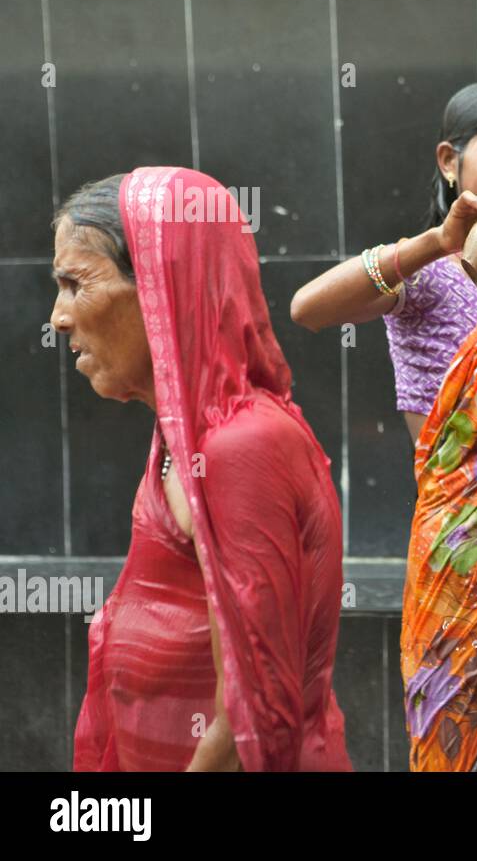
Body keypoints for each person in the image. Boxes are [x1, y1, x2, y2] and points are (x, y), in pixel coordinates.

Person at [52, 168, 351, 771]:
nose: (58, 318)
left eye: (74, 284)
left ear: (164, 286)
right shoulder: (180, 433)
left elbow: (252, 714)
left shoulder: (243, 446)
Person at [291, 79, 477, 443]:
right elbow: (308, 310)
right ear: (449, 160)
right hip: (461, 497)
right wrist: (438, 242)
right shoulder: (425, 274)